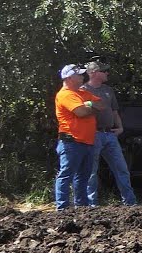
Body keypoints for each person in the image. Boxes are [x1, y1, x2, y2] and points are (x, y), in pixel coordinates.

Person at [81, 61, 137, 206]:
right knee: (91, 172)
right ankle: (91, 206)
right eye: (104, 71)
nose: (107, 73)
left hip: (110, 135)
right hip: (92, 135)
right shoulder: (82, 90)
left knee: (121, 169)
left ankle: (130, 203)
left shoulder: (108, 90)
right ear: (93, 73)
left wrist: (120, 127)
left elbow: (114, 111)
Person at [53, 64, 99, 209]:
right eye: (78, 75)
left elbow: (103, 105)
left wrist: (89, 104)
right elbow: (81, 112)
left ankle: (81, 207)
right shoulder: (65, 94)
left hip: (87, 142)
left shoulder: (82, 93)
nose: (82, 77)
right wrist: (92, 108)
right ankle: (63, 209)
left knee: (83, 177)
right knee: (66, 175)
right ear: (69, 78)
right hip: (71, 142)